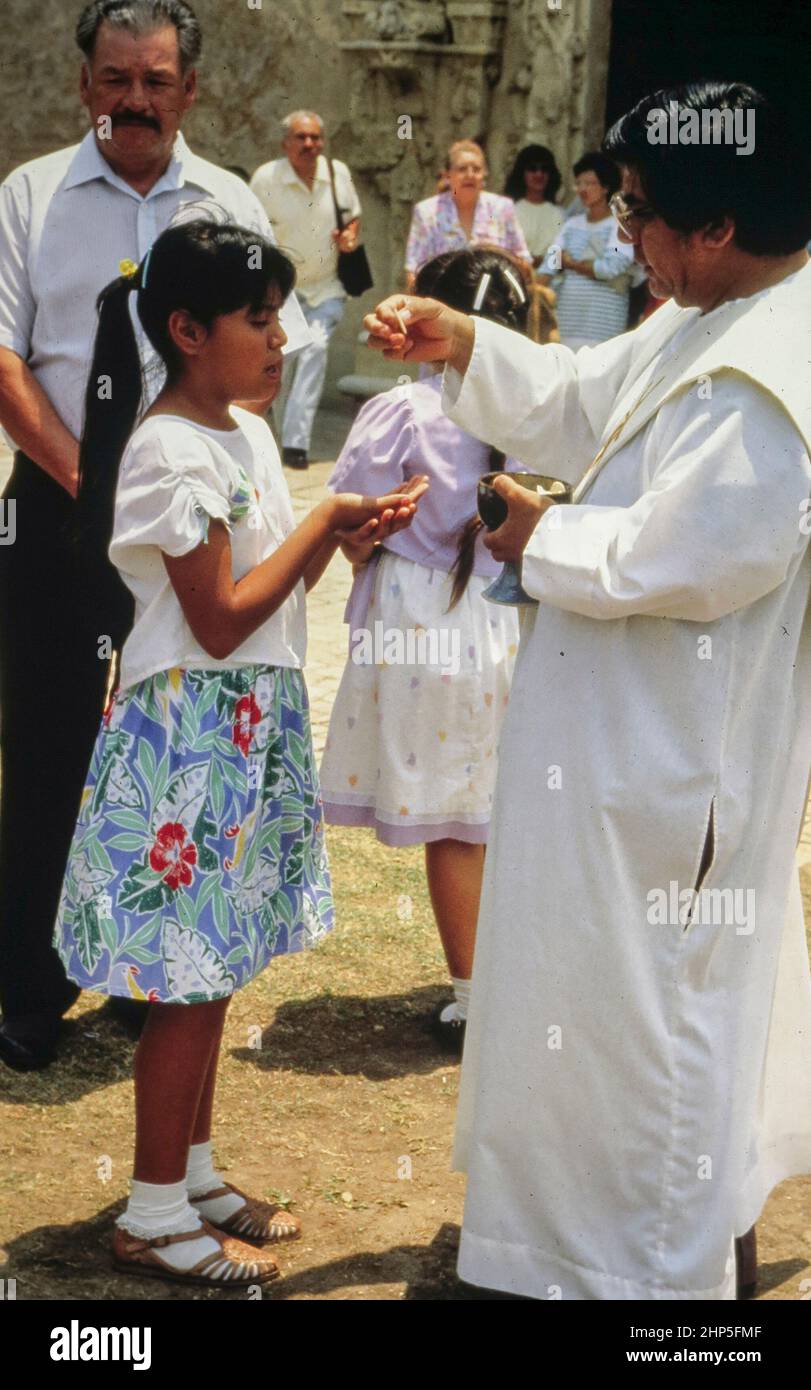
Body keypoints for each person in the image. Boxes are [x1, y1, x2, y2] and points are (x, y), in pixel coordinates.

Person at [363, 80, 811, 1300]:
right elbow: (577, 398)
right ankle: (571, 1243)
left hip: (672, 771)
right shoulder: (705, 315)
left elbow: (705, 558)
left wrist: (532, 540)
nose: (624, 239)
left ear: (716, 228)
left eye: (647, 215)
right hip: (618, 742)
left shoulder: (773, 371)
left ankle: (649, 1281)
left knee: (648, 1033)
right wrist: (463, 343)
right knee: (595, 1013)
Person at [52, 219, 424, 1288]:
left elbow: (261, 601)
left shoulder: (245, 433)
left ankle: (194, 1173)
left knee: (214, 972)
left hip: (241, 733)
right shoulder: (169, 447)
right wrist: (326, 523)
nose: (281, 337)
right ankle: (152, 1210)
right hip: (188, 748)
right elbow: (213, 621)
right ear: (186, 328)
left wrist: (333, 542)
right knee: (184, 980)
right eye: (258, 319)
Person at [0, 0, 309, 1073]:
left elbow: (272, 356)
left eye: (158, 81)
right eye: (116, 78)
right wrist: (98, 483)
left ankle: (148, 974)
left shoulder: (226, 202)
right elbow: (4, 360)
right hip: (56, 503)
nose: (136, 100)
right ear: (85, 83)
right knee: (47, 745)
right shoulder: (29, 197)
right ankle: (32, 988)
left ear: (190, 90)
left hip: (187, 522)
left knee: (170, 753)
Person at [320, 249, 526, 1051]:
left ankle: (474, 994)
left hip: (421, 618)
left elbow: (352, 525)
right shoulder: (530, 416)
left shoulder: (403, 411)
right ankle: (510, 978)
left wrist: (365, 549)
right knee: (497, 806)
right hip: (506, 617)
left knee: (453, 820)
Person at [250, 111, 363, 470]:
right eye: (302, 138)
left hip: (326, 286)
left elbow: (353, 215)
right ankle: (282, 437)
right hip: (283, 291)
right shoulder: (266, 178)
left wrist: (350, 236)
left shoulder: (336, 172)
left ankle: (296, 444)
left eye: (316, 138)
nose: (310, 145)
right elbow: (251, 230)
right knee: (287, 354)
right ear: (286, 143)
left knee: (315, 348)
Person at [404, 140, 531, 292]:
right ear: (447, 175)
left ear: (484, 175)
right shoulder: (426, 212)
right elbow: (413, 271)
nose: (470, 175)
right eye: (462, 169)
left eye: (476, 169)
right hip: (442, 301)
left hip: (494, 299)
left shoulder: (502, 208)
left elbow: (524, 262)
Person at [538, 151, 635, 349]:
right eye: (579, 183)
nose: (582, 189)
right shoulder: (571, 224)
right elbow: (552, 261)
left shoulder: (619, 226)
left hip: (603, 323)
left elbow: (610, 268)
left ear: (605, 187)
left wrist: (570, 263)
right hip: (567, 319)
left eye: (589, 183)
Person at [504, 144, 565, 270]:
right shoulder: (510, 212)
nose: (539, 174)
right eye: (533, 169)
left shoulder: (560, 214)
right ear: (522, 173)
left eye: (544, 169)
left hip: (552, 285)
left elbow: (560, 261)